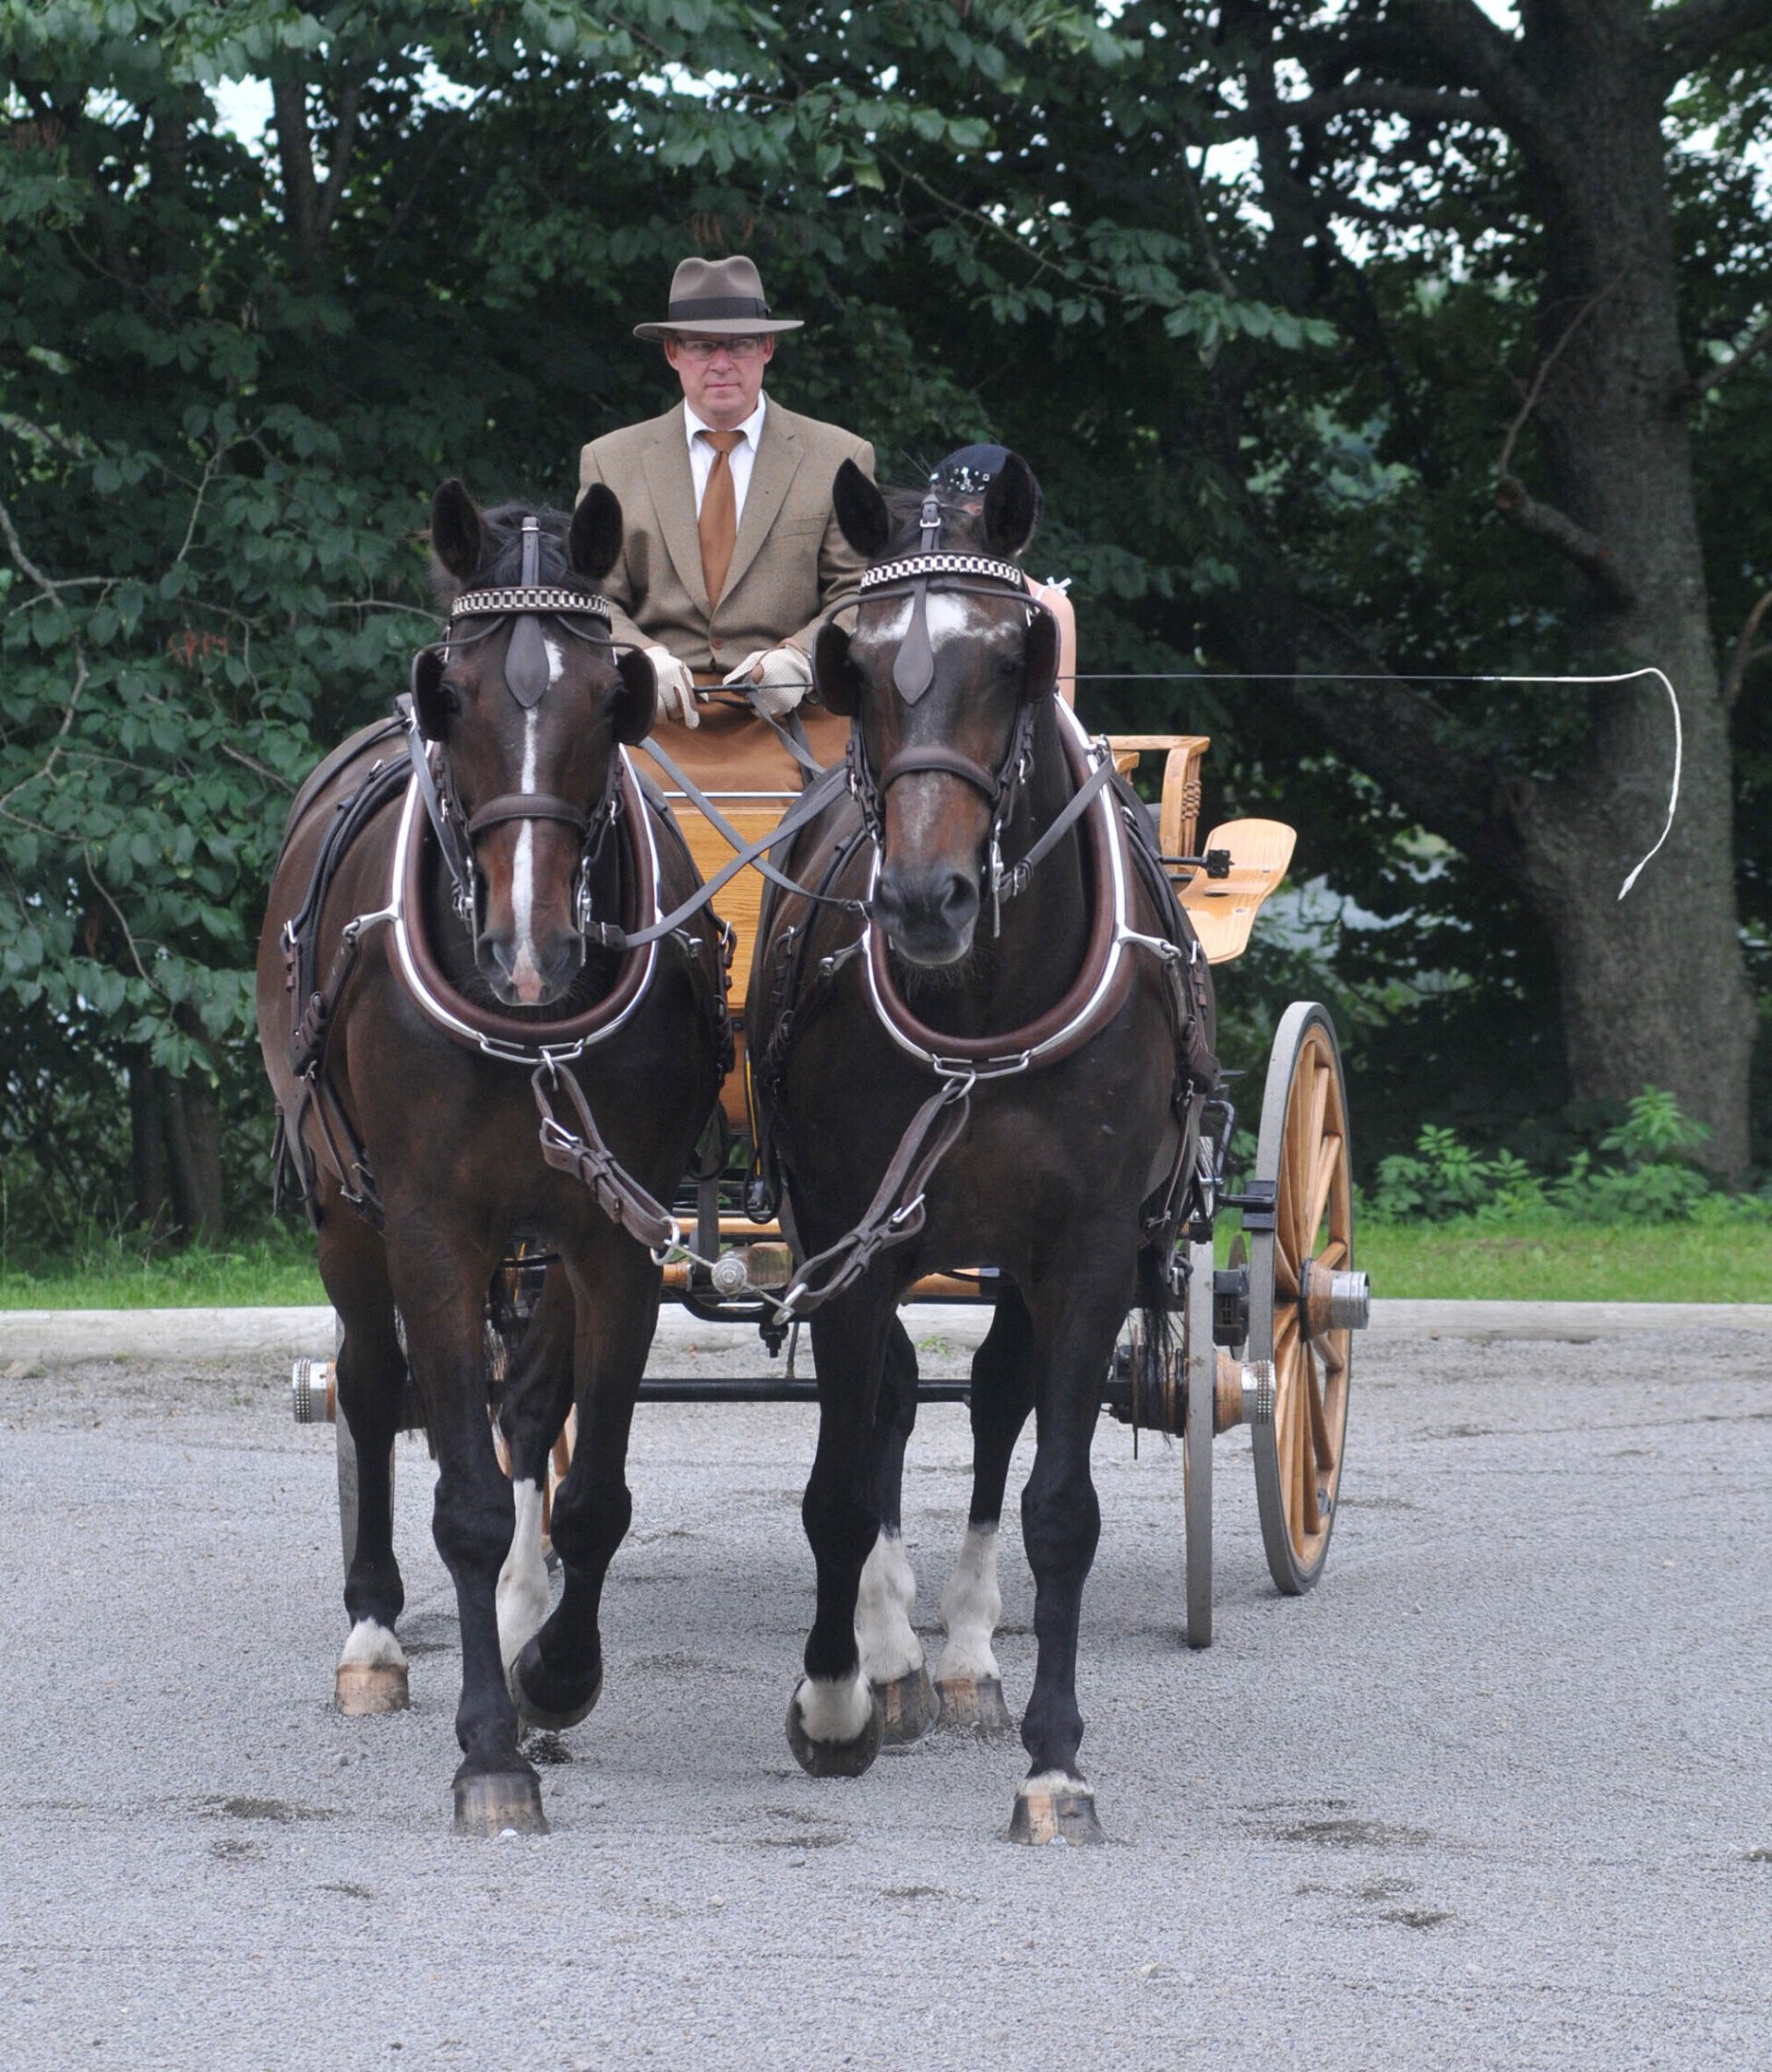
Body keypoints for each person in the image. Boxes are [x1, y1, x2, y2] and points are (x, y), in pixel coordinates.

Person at [576, 255, 875, 736]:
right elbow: (591, 598)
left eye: (738, 344)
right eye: (700, 346)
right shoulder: (610, 461)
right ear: (672, 352)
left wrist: (800, 658)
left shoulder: (839, 457)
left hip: (798, 716)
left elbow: (860, 593)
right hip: (649, 717)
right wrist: (641, 656)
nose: (720, 364)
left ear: (767, 348)